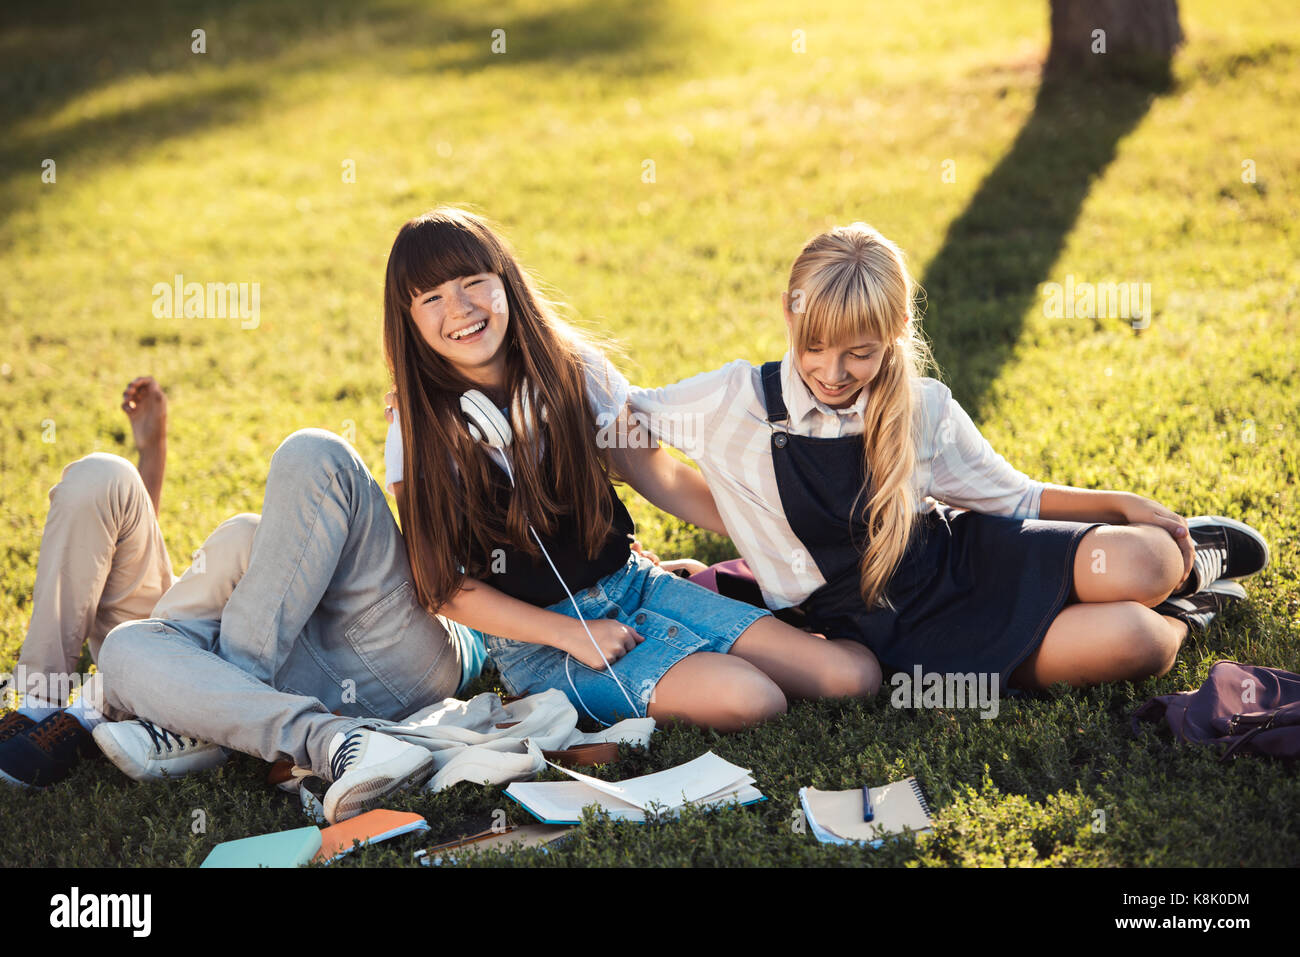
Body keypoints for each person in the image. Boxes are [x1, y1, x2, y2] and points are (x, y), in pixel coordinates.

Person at [626, 222, 1270, 691]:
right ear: (790, 318)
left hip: (962, 559)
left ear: (895, 336)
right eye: (815, 346)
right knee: (1138, 640)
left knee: (1148, 556)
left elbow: (1014, 496)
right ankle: (1190, 610)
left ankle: (1187, 567)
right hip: (892, 632)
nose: (832, 371)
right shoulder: (733, 399)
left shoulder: (921, 405)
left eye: (861, 352)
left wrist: (1118, 503)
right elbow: (618, 417)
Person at [380, 207, 881, 732]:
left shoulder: (574, 370)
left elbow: (657, 476)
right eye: (431, 297)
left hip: (635, 583)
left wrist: (786, 536)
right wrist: (571, 634)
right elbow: (442, 588)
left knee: (853, 676)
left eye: (473, 283)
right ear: (409, 319)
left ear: (506, 282)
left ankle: (697, 602)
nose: (459, 308)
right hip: (541, 646)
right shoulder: (415, 434)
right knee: (753, 699)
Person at [0, 377, 257, 787]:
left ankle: (90, 715)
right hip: (164, 618)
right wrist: (152, 449)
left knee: (246, 536)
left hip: (199, 650)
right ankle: (38, 701)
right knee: (102, 474)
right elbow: (127, 553)